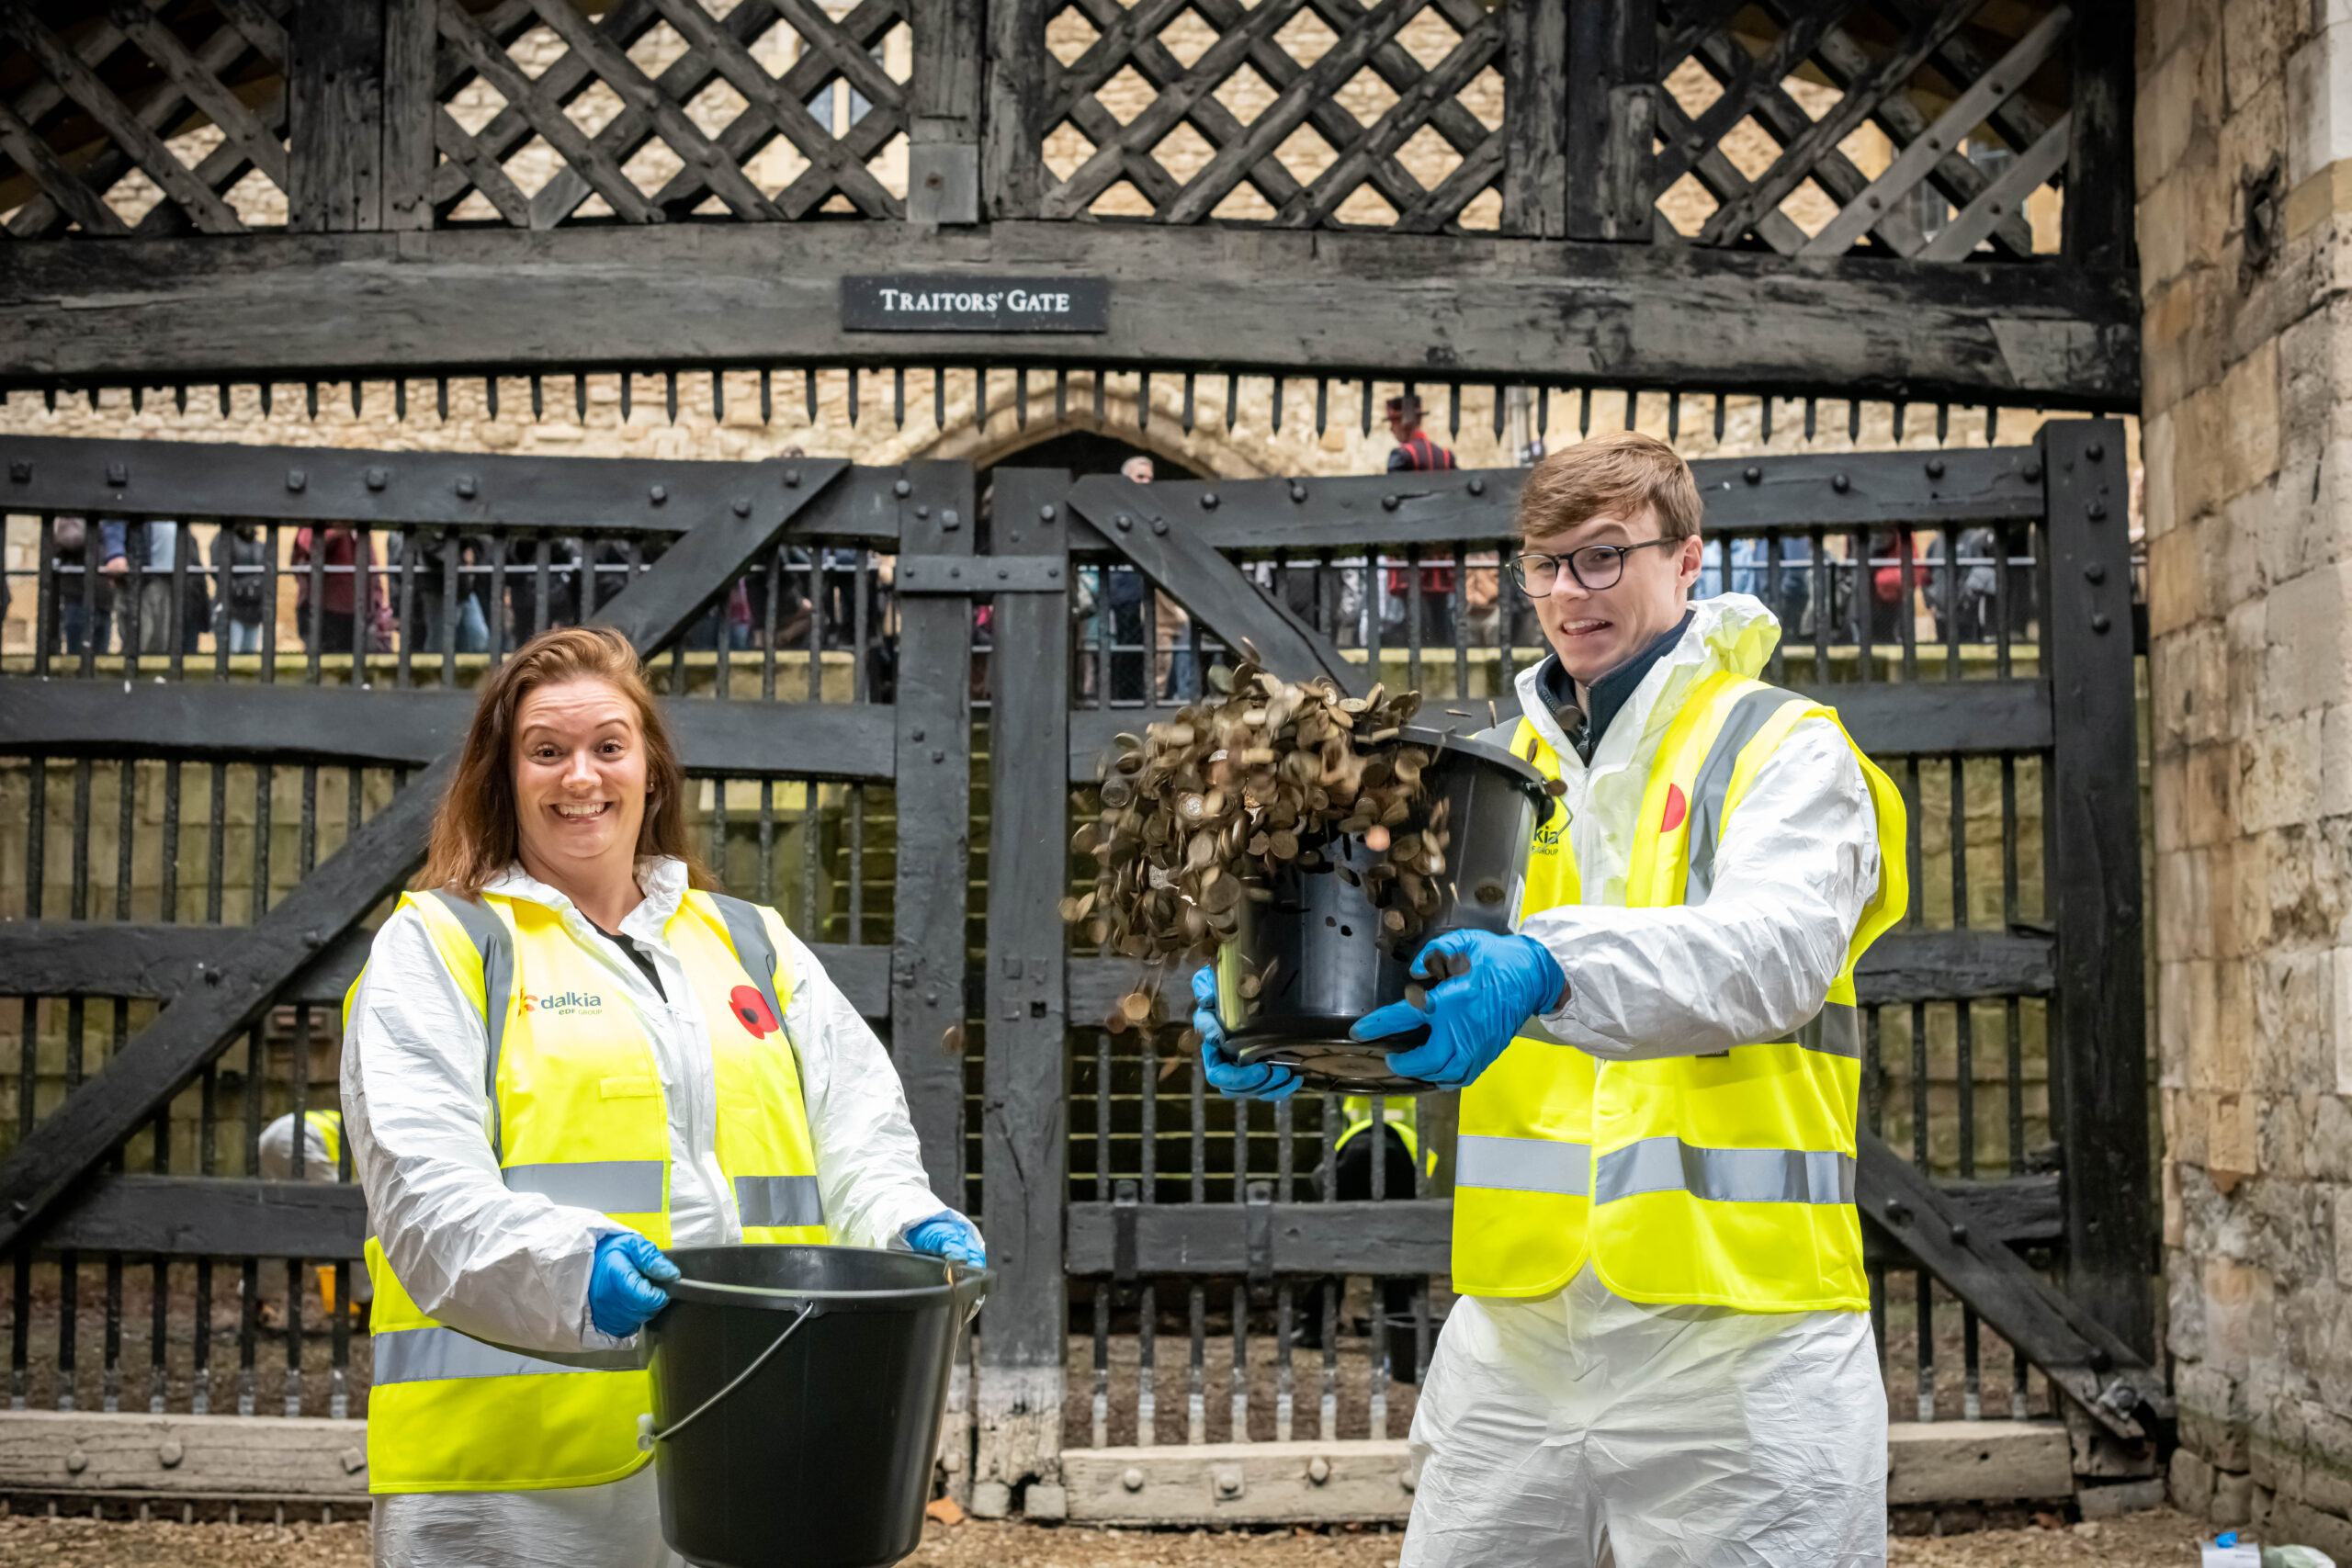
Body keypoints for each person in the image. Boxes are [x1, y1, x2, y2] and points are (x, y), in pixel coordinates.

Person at [1193, 431, 1906, 1567]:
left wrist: (1549, 967)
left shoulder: (1782, 750)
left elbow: (1772, 954)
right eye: (1544, 564)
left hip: (1744, 1339)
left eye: (1603, 557)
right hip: (1520, 1331)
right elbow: (1408, 987)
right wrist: (1292, 1025)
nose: (1569, 594)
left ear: (1686, 561)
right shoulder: (1483, 769)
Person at [342, 626, 981, 1568]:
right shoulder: (442, 946)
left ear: (652, 770)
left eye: (609, 746)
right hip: (515, 1482)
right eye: (546, 752)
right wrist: (574, 1271)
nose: (580, 778)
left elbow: (858, 1140)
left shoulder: (748, 943)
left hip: (752, 1439)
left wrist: (905, 1226)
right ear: (502, 774)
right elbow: (422, 1192)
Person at [1382, 396, 1456, 646]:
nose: (1391, 430)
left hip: (1409, 551)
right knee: (1440, 619)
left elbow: (1393, 505)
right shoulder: (1445, 457)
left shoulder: (1401, 457)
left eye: (1393, 423)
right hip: (1440, 554)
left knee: (1416, 624)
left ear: (1404, 422)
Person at [211, 521, 273, 655]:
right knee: (231, 656)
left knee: (249, 658)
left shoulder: (258, 545)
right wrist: (243, 587)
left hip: (254, 612)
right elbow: (219, 573)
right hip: (232, 608)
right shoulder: (225, 539)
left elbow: (267, 574)